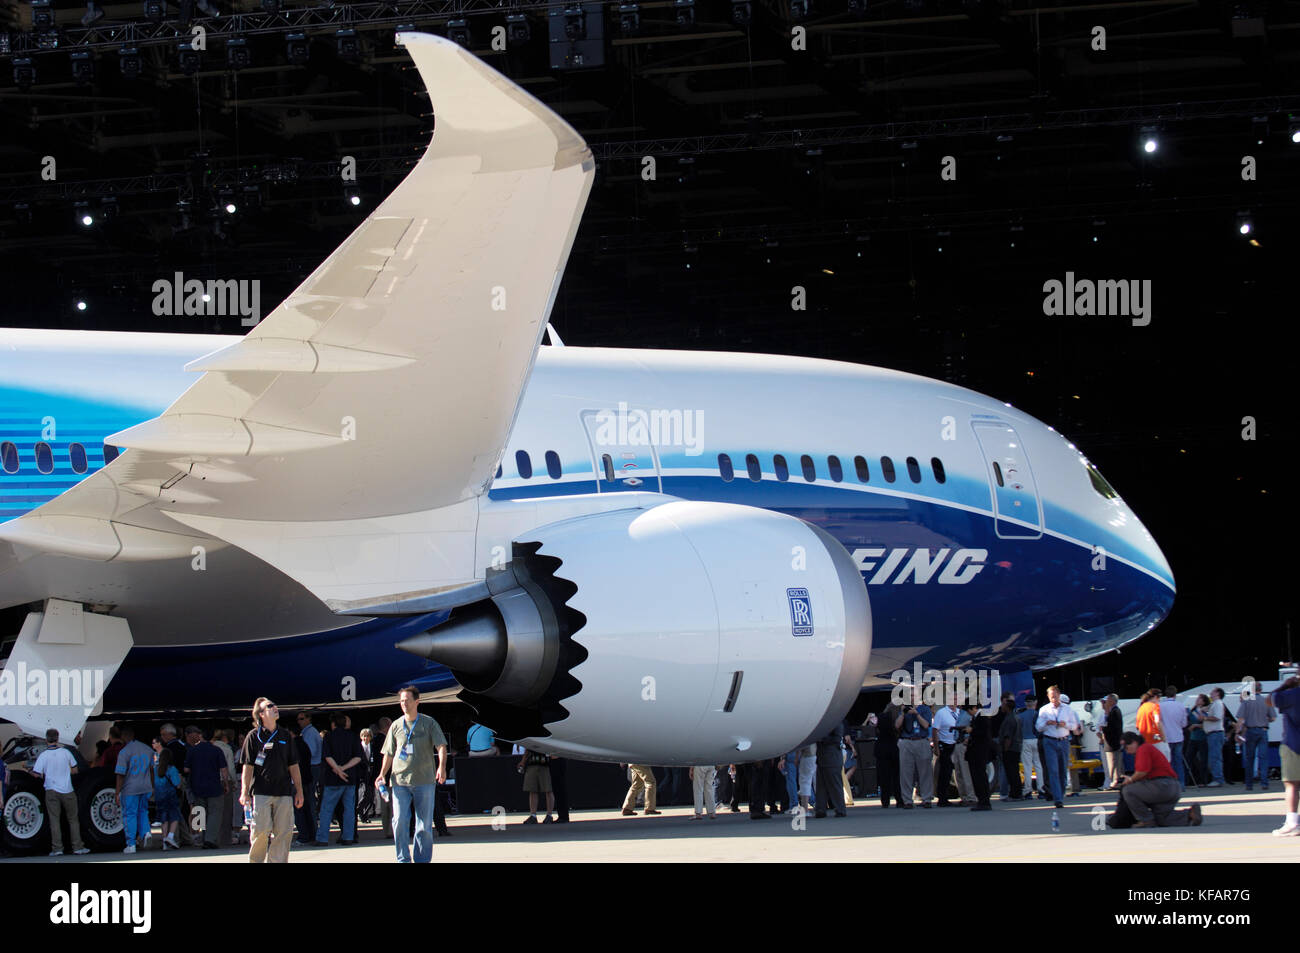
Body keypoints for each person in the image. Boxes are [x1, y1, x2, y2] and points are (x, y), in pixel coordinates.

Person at [377, 686, 448, 863]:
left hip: (424, 780)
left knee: (423, 825)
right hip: (400, 781)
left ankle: (422, 859)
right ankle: (403, 859)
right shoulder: (395, 725)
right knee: (400, 821)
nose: (404, 704)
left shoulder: (429, 722)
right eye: (401, 701)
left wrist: (442, 767)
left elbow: (441, 746)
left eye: (407, 700)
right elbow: (389, 753)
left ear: (417, 701)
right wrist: (381, 774)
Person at [240, 696, 305, 863]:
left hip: (284, 791)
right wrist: (244, 792)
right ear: (261, 714)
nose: (275, 707)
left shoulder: (285, 735)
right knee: (261, 831)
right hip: (261, 791)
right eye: (270, 706)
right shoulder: (253, 737)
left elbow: (294, 765)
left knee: (283, 832)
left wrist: (299, 790)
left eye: (275, 705)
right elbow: (248, 766)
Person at [1117, 732, 1202, 828]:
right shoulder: (1148, 748)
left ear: (1134, 742)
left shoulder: (1143, 749)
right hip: (1173, 788)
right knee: (1162, 819)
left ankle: (1146, 820)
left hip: (1162, 786)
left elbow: (1142, 772)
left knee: (1128, 791)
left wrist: (1130, 780)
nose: (1127, 752)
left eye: (1126, 748)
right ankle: (1190, 814)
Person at [32, 729, 89, 856]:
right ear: (58, 739)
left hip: (51, 791)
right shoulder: (66, 752)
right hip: (68, 790)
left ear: (46, 740)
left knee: (54, 820)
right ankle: (77, 847)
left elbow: (36, 774)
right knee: (73, 819)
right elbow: (75, 770)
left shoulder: (43, 755)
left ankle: (57, 849)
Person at [316, 711, 365, 846]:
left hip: (332, 778)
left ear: (333, 724)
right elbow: (358, 757)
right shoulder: (353, 736)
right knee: (349, 809)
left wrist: (337, 769)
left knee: (327, 809)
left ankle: (322, 838)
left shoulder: (329, 737)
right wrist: (344, 769)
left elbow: (327, 756)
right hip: (350, 778)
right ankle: (348, 836)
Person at [184, 726, 230, 849]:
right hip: (214, 786)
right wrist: (226, 783)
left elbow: (186, 769)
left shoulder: (192, 750)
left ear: (201, 736)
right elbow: (224, 769)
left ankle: (199, 836)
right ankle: (210, 839)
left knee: (199, 812)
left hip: (197, 786)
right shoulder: (216, 750)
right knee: (215, 813)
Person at [1035, 685, 1079, 808]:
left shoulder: (1067, 709)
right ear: (1048, 697)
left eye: (1055, 696)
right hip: (1049, 741)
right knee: (1053, 770)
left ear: (1059, 695)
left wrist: (1065, 725)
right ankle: (1058, 798)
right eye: (1051, 697)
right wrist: (1046, 723)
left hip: (1064, 740)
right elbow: (1038, 727)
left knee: (1062, 771)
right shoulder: (1044, 710)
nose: (1053, 699)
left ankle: (1061, 792)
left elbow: (1074, 726)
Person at [114, 725, 154, 853]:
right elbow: (152, 770)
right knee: (143, 811)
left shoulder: (124, 752)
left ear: (124, 736)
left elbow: (120, 774)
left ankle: (131, 844)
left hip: (130, 788)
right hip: (145, 786)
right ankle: (146, 831)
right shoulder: (148, 749)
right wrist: (152, 786)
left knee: (129, 814)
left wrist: (117, 792)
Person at [1270, 675, 1300, 836]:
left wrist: (1284, 686)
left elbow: (1270, 699)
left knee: (1292, 784)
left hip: (1294, 743)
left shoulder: (1293, 694)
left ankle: (1292, 822)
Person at [896, 687, 934, 808]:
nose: (912, 698)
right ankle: (907, 800)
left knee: (925, 771)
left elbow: (926, 725)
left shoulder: (925, 709)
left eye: (914, 695)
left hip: (921, 740)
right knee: (906, 772)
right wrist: (902, 713)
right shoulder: (904, 709)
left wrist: (917, 714)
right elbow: (897, 726)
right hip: (907, 741)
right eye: (910, 696)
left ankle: (927, 798)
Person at [1236, 681, 1276, 791]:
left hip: (1250, 731)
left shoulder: (1246, 702)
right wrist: (1264, 720)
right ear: (1261, 690)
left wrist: (1237, 733)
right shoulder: (1266, 701)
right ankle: (1264, 783)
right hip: (1263, 731)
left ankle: (1249, 784)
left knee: (1250, 758)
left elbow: (1240, 719)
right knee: (1263, 758)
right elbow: (1273, 718)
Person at [814, 722, 850, 818]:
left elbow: (837, 739)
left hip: (831, 757)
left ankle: (840, 809)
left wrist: (822, 739)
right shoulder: (831, 723)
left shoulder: (836, 723)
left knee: (834, 785)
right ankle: (821, 809)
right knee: (822, 786)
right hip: (825, 757)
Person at [931, 698, 961, 806]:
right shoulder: (941, 713)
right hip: (945, 745)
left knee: (959, 772)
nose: (955, 701)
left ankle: (964, 796)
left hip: (956, 744)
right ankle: (942, 798)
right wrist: (936, 747)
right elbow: (935, 730)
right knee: (945, 773)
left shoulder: (959, 712)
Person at [153, 748, 184, 849]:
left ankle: (164, 840)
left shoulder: (155, 769)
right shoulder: (172, 769)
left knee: (164, 819)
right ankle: (170, 836)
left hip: (159, 796)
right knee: (174, 817)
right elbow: (177, 784)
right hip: (170, 796)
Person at [965, 703, 993, 810]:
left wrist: (972, 731)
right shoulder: (977, 718)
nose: (968, 713)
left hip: (979, 753)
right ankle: (982, 800)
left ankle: (984, 801)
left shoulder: (982, 717)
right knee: (977, 777)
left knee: (980, 777)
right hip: (976, 752)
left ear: (973, 708)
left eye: (968, 710)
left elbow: (984, 734)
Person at [296, 710, 323, 822]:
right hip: (312, 766)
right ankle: (312, 825)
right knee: (308, 796)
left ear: (308, 719)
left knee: (309, 797)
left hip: (312, 767)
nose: (299, 722)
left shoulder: (310, 733)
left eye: (301, 719)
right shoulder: (308, 732)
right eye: (298, 719)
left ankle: (312, 825)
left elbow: (309, 752)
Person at [1160, 686, 1189, 788]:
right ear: (1175, 695)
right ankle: (1181, 784)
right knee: (1179, 762)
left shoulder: (1161, 706)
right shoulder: (1181, 706)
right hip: (1178, 736)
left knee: (1168, 762)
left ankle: (1171, 784)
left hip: (1167, 737)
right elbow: (1184, 723)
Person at [876, 703, 904, 808]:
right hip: (894, 746)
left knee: (884, 776)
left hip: (882, 747)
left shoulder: (881, 717)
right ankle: (899, 799)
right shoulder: (898, 718)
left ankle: (885, 800)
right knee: (897, 775)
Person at [518, 748, 555, 823]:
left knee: (548, 789)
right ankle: (533, 815)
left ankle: (549, 815)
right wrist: (523, 761)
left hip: (546, 764)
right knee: (532, 790)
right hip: (532, 763)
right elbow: (527, 748)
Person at [1017, 694, 1043, 799]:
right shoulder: (1039, 714)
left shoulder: (1020, 716)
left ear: (1025, 703)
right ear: (1035, 703)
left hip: (1025, 741)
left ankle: (1028, 790)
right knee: (1038, 765)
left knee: (1027, 766)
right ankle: (1041, 789)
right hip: (1037, 740)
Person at [997, 696, 1023, 799]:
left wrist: (1005, 749)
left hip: (1010, 749)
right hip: (1016, 747)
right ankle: (1017, 792)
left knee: (1011, 772)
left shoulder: (1009, 719)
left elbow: (1008, 737)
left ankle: (1015, 793)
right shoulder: (1016, 717)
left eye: (1003, 705)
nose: (1002, 707)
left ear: (1007, 707)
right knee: (1015, 771)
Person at [1099, 694, 1123, 790]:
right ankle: (1115, 781)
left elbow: (1113, 727)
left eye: (1108, 701)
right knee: (1114, 762)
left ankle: (1114, 782)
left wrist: (1103, 729)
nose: (1106, 703)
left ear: (1113, 701)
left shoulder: (1114, 711)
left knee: (1113, 763)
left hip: (1112, 742)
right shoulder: (1112, 711)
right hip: (1113, 742)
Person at [1202, 688, 1226, 786]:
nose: (1210, 693)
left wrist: (1204, 718)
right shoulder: (1215, 704)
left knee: (1215, 757)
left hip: (1215, 733)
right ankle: (1217, 777)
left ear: (1217, 693)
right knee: (1214, 757)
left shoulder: (1218, 704)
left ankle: (1218, 779)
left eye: (1212, 691)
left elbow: (1217, 717)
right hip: (1213, 734)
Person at [1135, 689, 1167, 758]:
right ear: (1155, 697)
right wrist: (1163, 737)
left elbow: (1137, 726)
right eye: (1159, 698)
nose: (1159, 700)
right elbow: (1157, 722)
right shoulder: (1155, 706)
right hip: (1155, 739)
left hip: (1144, 740)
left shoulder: (1141, 707)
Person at [1186, 696, 1209, 787]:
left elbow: (1206, 724)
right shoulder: (1192, 711)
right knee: (1189, 759)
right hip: (1193, 738)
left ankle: (1203, 780)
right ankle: (1188, 780)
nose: (1197, 700)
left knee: (1203, 760)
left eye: (1199, 699)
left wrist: (1196, 725)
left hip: (1202, 738)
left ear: (1203, 702)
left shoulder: (1205, 711)